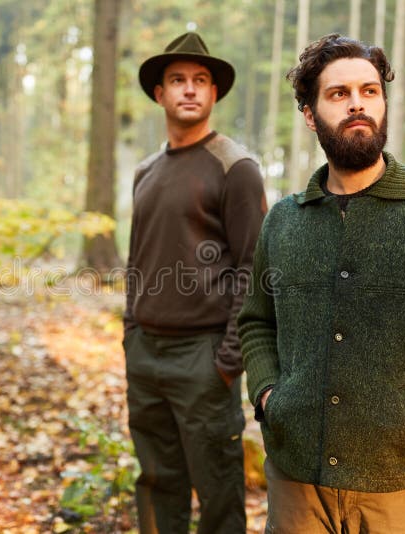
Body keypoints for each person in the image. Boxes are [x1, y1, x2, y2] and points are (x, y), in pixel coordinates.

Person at [237, 34, 405, 533]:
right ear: (309, 112)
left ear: (384, 102)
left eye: (370, 90)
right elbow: (257, 320)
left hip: (404, 482)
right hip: (297, 479)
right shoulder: (282, 220)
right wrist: (268, 395)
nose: (358, 104)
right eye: (338, 93)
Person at [123, 31, 267, 533]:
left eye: (200, 81)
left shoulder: (236, 167)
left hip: (203, 358)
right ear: (159, 93)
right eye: (178, 80)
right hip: (145, 354)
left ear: (214, 94)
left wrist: (227, 362)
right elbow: (138, 261)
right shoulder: (145, 171)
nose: (189, 89)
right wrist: (130, 334)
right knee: (156, 480)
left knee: (218, 489)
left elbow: (254, 269)